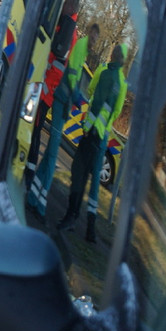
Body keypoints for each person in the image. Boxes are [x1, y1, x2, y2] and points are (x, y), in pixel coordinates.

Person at [57, 42, 128, 242]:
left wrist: (90, 126)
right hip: (103, 135)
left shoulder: (104, 71)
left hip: (91, 132)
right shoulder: (122, 82)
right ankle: (90, 227)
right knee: (95, 182)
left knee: (78, 173)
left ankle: (71, 216)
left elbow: (92, 93)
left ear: (112, 56)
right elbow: (117, 111)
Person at [28, 21, 98, 217]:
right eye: (94, 37)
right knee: (51, 156)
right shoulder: (79, 48)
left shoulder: (80, 48)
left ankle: (34, 194)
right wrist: (75, 97)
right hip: (60, 101)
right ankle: (39, 203)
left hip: (59, 100)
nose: (95, 41)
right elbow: (70, 78)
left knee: (50, 152)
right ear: (90, 34)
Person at [27, 0, 80, 165]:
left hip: (44, 93)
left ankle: (28, 170)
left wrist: (43, 91)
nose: (62, 5)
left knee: (34, 132)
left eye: (65, 3)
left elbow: (57, 69)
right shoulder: (65, 27)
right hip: (41, 88)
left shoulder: (68, 32)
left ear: (71, 6)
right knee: (31, 129)